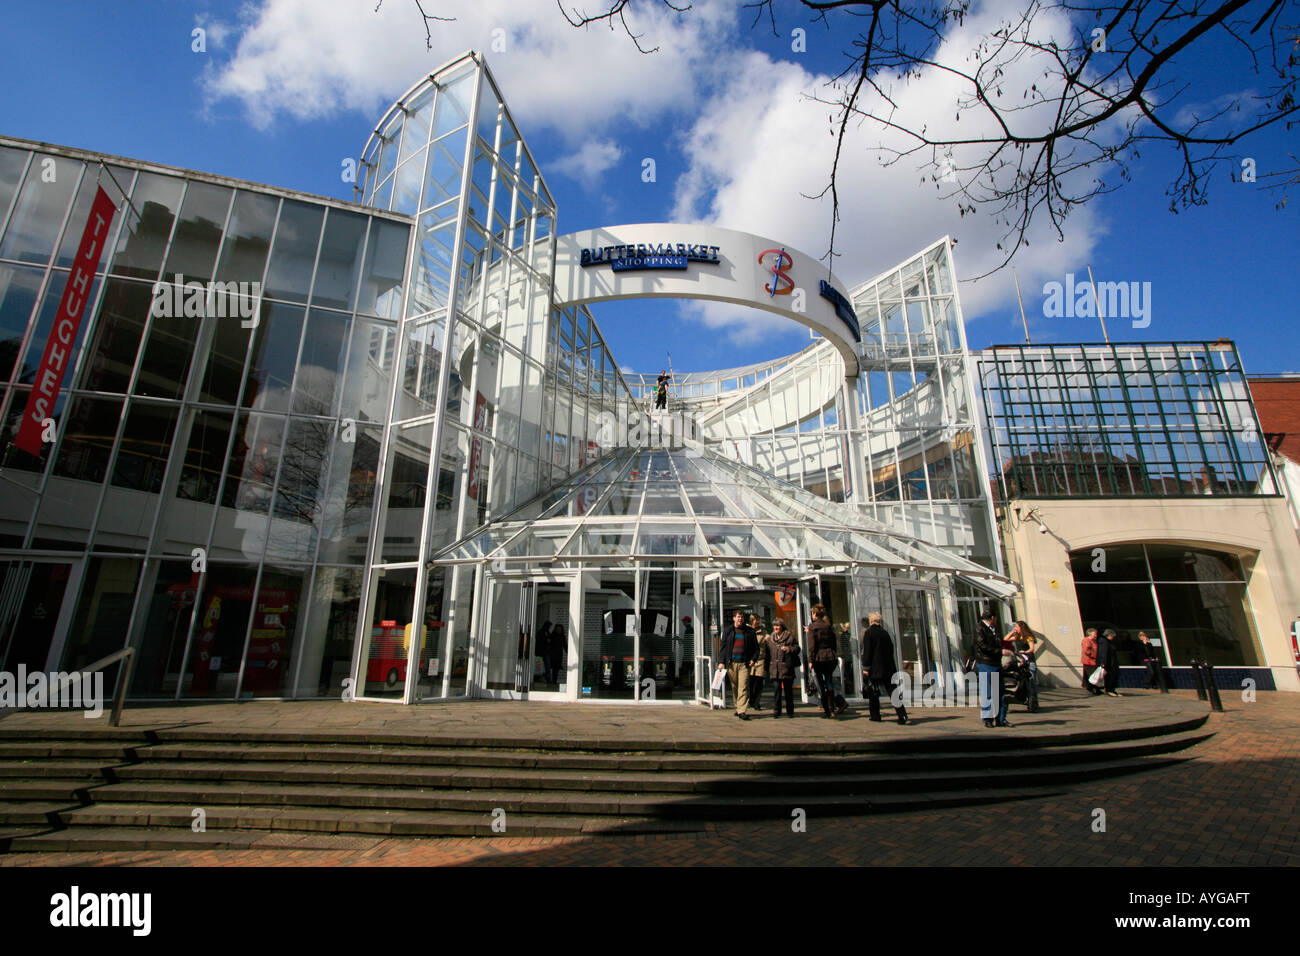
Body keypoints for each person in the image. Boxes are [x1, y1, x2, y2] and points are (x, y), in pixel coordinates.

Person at [861, 612, 909, 725]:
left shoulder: (869, 633)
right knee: (892, 691)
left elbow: (867, 651)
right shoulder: (885, 633)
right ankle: (902, 714)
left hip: (875, 667)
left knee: (873, 691)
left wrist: (865, 667)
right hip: (888, 666)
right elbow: (891, 649)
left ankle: (875, 715)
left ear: (871, 620)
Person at [718, 609, 757, 720]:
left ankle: (742, 711)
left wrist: (753, 659)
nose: (740, 619)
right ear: (734, 618)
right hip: (731, 663)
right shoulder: (728, 631)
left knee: (743, 686)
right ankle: (738, 706)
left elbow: (755, 648)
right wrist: (721, 661)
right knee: (735, 686)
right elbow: (723, 647)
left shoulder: (749, 631)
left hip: (744, 663)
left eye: (742, 617)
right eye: (738, 617)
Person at [974, 607, 1010, 727]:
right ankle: (988, 719)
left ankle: (1001, 719)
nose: (997, 620)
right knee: (988, 692)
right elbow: (982, 645)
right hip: (986, 663)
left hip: (995, 663)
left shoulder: (994, 629)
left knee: (1000, 692)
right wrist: (1000, 651)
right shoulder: (980, 628)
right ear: (992, 618)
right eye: (996, 618)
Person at [806, 603, 840, 719]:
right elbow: (834, 643)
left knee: (820, 684)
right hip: (830, 656)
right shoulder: (828, 626)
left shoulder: (812, 627)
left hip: (818, 657)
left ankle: (827, 710)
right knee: (829, 681)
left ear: (815, 614)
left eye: (812, 613)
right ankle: (831, 708)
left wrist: (810, 660)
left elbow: (812, 646)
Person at [765, 619, 798, 717]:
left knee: (788, 691)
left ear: (782, 627)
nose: (776, 628)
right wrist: (767, 666)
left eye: (778, 626)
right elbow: (767, 654)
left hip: (786, 668)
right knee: (777, 690)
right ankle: (777, 710)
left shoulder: (789, 637)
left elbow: (797, 648)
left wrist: (788, 649)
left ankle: (790, 711)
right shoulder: (770, 639)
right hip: (775, 668)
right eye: (774, 626)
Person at [1006, 620, 1041, 695]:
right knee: (1023, 681)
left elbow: (1031, 649)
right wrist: (1012, 632)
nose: (1015, 628)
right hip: (1021, 661)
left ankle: (1033, 698)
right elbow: (1006, 639)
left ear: (1021, 628)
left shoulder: (1028, 637)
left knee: (1032, 681)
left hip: (1029, 660)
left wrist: (1024, 651)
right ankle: (1027, 696)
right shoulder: (1017, 637)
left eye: (1017, 627)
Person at [748, 614, 768, 710]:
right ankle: (750, 700)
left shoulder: (763, 632)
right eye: (755, 620)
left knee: (759, 682)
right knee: (750, 682)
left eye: (758, 620)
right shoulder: (747, 631)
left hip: (760, 659)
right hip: (749, 660)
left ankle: (756, 702)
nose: (757, 622)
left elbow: (769, 640)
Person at [1098, 628, 1121, 697]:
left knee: (1113, 676)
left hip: (1112, 662)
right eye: (1112, 636)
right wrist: (1103, 662)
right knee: (1110, 677)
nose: (1113, 638)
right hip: (1109, 663)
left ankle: (1111, 690)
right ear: (1108, 635)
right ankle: (1109, 690)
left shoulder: (1108, 642)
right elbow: (1103, 653)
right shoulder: (1104, 642)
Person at [1081, 627, 1102, 695]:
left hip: (1092, 661)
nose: (1096, 635)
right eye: (1094, 634)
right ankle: (1093, 688)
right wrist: (1094, 656)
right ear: (1090, 634)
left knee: (1090, 675)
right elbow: (1086, 650)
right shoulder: (1086, 640)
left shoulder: (1093, 641)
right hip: (1089, 661)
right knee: (1092, 675)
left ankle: (1091, 687)